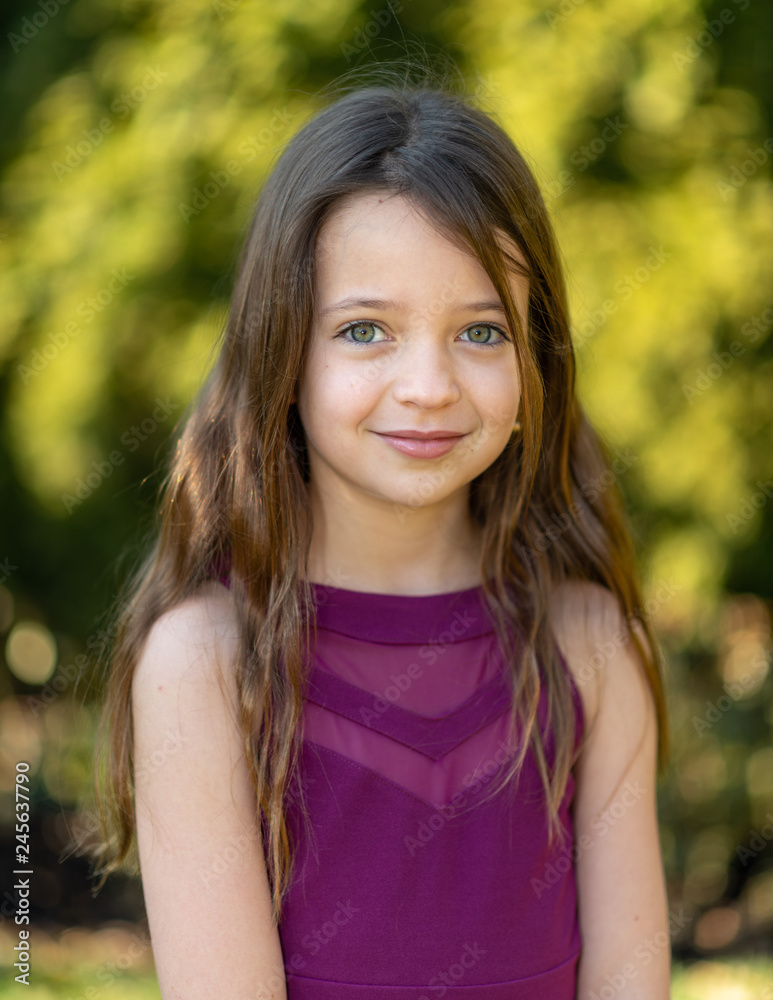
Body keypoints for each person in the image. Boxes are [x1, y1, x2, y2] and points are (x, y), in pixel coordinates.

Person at [87, 75, 671, 999]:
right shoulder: (204, 663)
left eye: (482, 332)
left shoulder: (589, 644)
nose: (429, 386)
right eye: (365, 331)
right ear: (281, 354)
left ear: (536, 360)